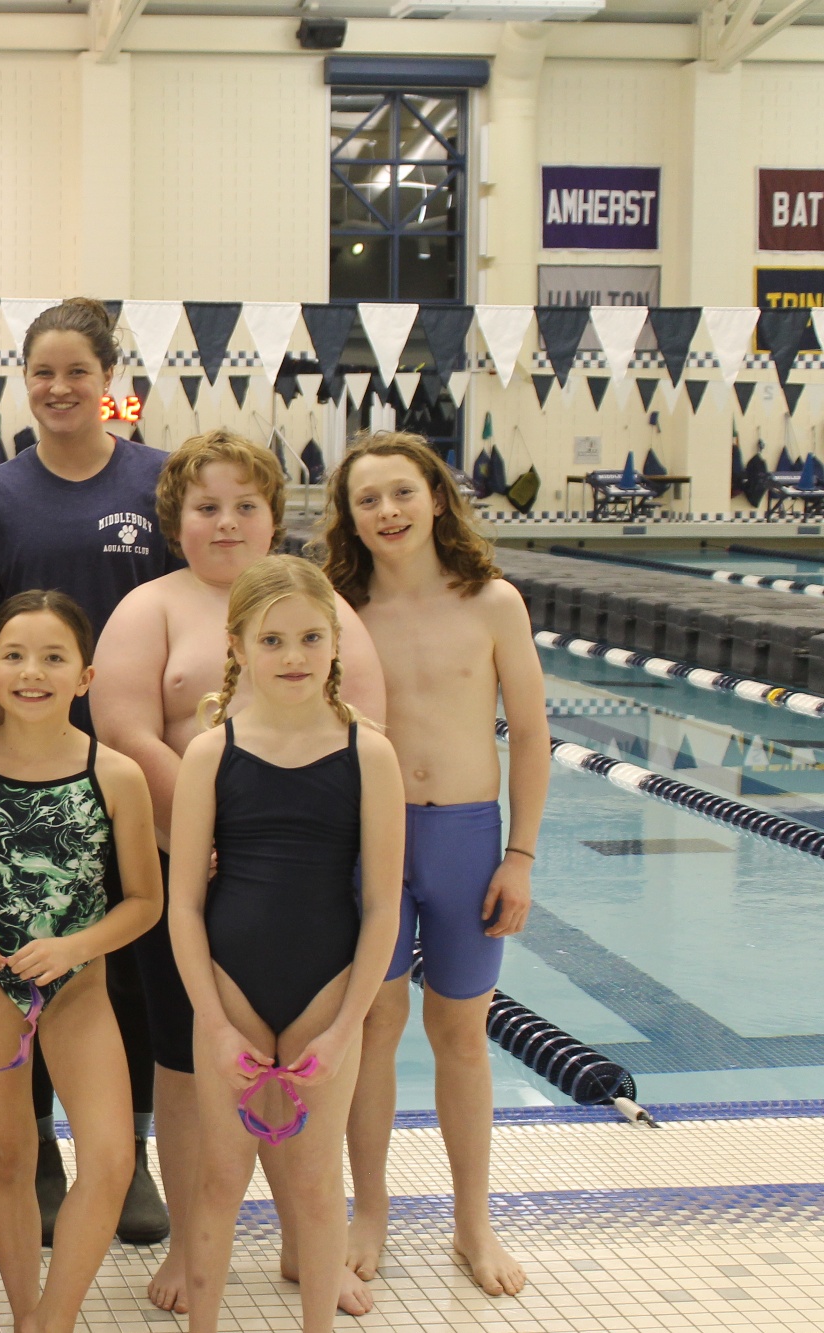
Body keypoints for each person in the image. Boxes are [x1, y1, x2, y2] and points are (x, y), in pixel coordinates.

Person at [87, 430, 386, 1314]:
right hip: (185, 867)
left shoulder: (319, 605)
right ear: (175, 518)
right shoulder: (150, 606)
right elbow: (124, 729)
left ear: (273, 514)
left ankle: (306, 1244)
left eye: (245, 505)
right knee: (188, 1069)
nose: (226, 522)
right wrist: (206, 821)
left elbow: (362, 722)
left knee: (313, 1082)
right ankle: (192, 1242)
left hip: (302, 885)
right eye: (206, 506)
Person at [0, 297, 171, 1243]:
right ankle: (35, 1144)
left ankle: (130, 1152)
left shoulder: (156, 480)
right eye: (43, 371)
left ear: (108, 378)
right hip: (18, 759)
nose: (60, 387)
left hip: (123, 764)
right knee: (17, 943)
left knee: (127, 969)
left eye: (78, 370)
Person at [320, 431, 547, 1299]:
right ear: (348, 517)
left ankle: (472, 1221)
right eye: (367, 499)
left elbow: (532, 736)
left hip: (465, 836)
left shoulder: (492, 602)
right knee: (373, 1025)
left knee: (460, 1032)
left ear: (438, 498)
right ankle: (369, 1210)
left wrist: (519, 855)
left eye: (402, 492)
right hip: (371, 838)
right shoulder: (341, 609)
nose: (388, 511)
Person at [166, 554, 405, 1333]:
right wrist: (213, 1021)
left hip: (327, 987)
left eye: (309, 637)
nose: (294, 656)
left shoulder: (369, 752)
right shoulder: (212, 752)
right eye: (272, 640)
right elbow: (184, 905)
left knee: (315, 1183)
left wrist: (345, 1029)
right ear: (237, 646)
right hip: (230, 983)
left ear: (335, 643)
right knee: (219, 1178)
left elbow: (382, 908)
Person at [0, 590, 163, 1333]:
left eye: (52, 657)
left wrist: (75, 946)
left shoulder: (117, 774)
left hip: (79, 988)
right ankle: (25, 1314)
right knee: (7, 1158)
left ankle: (52, 1320)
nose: (32, 672)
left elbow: (145, 901)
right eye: (13, 655)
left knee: (111, 1160)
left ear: (85, 676)